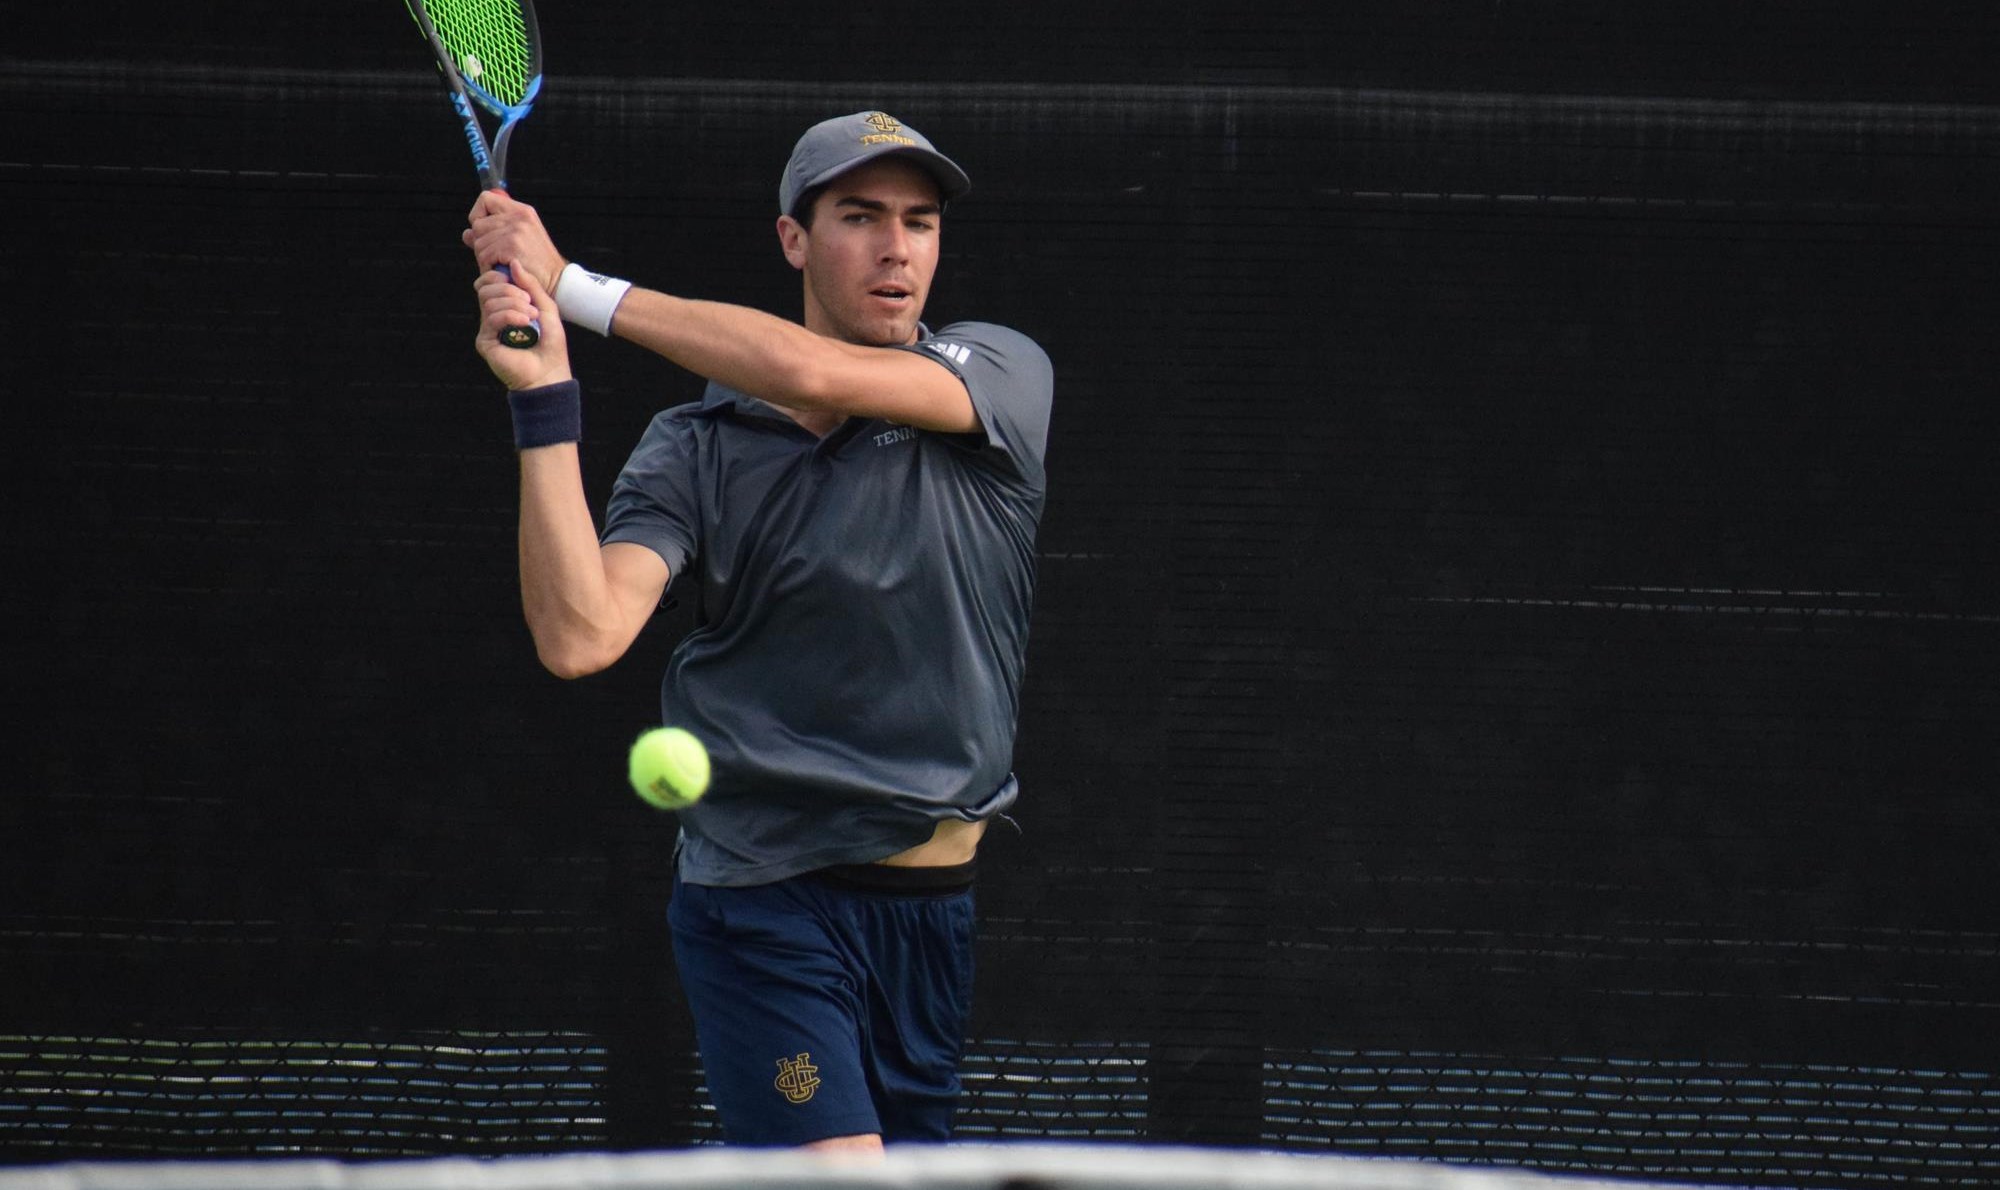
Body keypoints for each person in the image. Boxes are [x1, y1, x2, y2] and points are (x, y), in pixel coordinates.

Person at [460, 111, 1053, 1152]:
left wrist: (576, 285)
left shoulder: (996, 374)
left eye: (918, 222)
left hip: (933, 913)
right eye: (859, 216)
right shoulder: (692, 449)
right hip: (764, 905)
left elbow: (815, 376)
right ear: (793, 239)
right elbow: (580, 633)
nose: (895, 248)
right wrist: (544, 400)